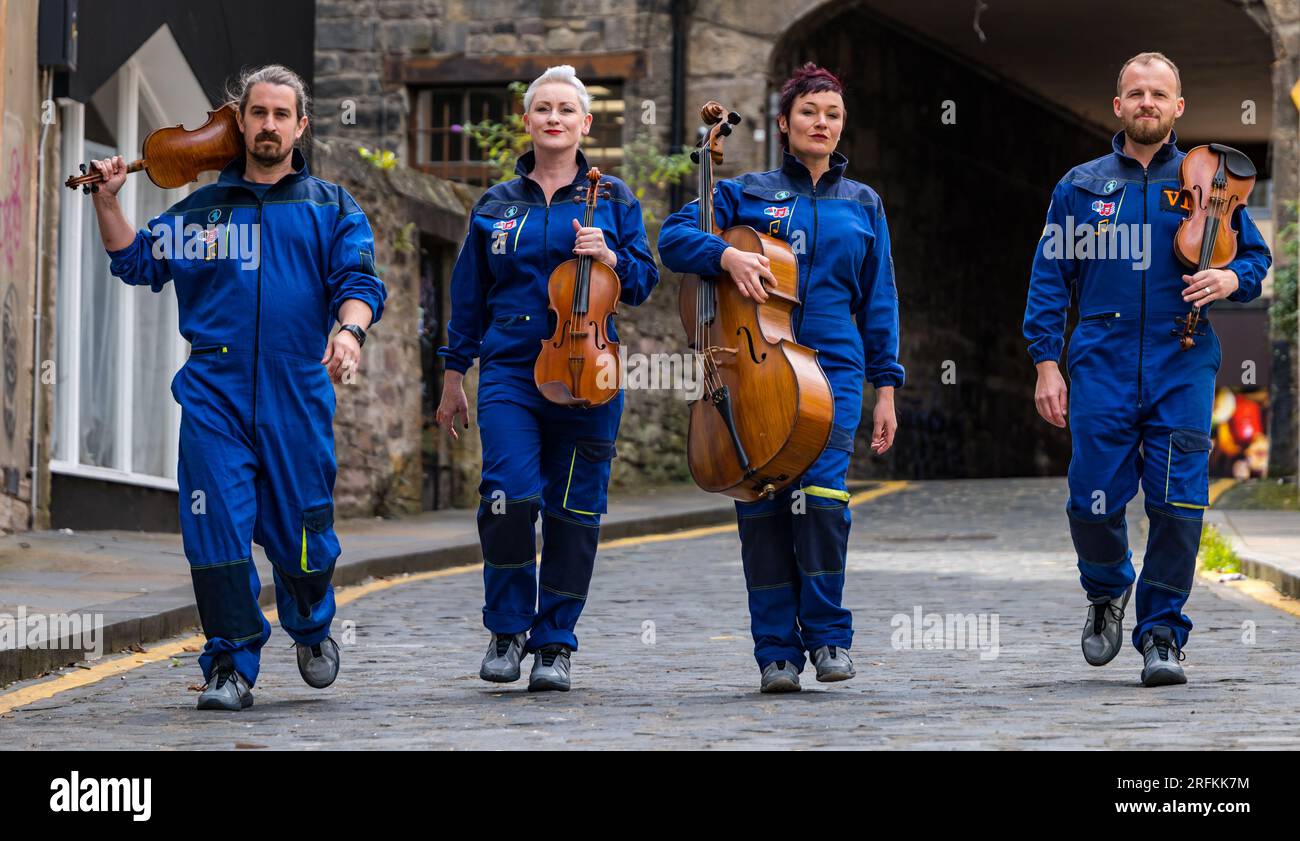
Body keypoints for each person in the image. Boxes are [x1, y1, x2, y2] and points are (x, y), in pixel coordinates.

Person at [90, 65, 386, 710]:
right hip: (213, 394)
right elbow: (136, 261)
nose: (270, 125)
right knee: (214, 534)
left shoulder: (330, 206)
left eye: (283, 115)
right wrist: (108, 198)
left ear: (300, 125)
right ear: (240, 121)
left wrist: (349, 333)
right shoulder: (199, 211)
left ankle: (310, 624)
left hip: (296, 393)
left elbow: (360, 285)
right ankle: (230, 663)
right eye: (259, 113)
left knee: (305, 543)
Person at [1022, 52, 1270, 686]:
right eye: (1136, 93)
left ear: (1178, 107)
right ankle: (1107, 591)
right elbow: (1050, 280)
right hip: (1099, 359)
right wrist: (1047, 364)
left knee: (1180, 506)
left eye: (1160, 94)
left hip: (1180, 358)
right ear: (1118, 105)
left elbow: (1253, 262)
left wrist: (1227, 278)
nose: (1147, 103)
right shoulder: (1080, 187)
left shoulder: (1209, 182)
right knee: (1090, 502)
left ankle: (1162, 634)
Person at [657, 63, 903, 693]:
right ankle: (776, 653)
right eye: (809, 113)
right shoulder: (745, 192)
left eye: (833, 114)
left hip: (834, 368)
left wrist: (887, 390)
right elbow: (675, 237)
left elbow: (880, 302)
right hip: (755, 365)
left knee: (822, 496)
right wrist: (727, 254)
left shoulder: (863, 203)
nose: (821, 123)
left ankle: (827, 638)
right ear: (784, 123)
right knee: (761, 499)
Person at [436, 65, 660, 692]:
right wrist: (455, 374)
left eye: (567, 109)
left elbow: (643, 282)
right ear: (528, 121)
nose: (554, 118)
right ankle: (508, 629)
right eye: (543, 108)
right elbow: (468, 297)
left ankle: (555, 644)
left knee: (575, 511)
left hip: (591, 372)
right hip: (510, 368)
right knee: (509, 495)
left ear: (585, 124)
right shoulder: (495, 204)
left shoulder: (611, 196)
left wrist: (611, 256)